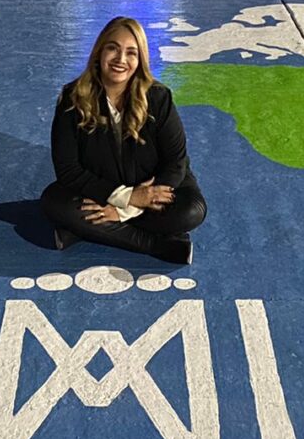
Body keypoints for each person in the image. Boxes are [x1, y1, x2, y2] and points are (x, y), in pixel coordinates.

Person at [43, 17, 205, 264]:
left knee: (191, 211)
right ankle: (158, 245)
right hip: (103, 190)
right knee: (55, 203)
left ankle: (85, 231)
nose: (121, 59)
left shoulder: (158, 97)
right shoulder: (72, 98)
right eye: (113, 48)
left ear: (140, 61)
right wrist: (125, 197)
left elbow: (176, 162)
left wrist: (127, 209)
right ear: (100, 51)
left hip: (155, 189)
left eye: (131, 53)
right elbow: (68, 170)